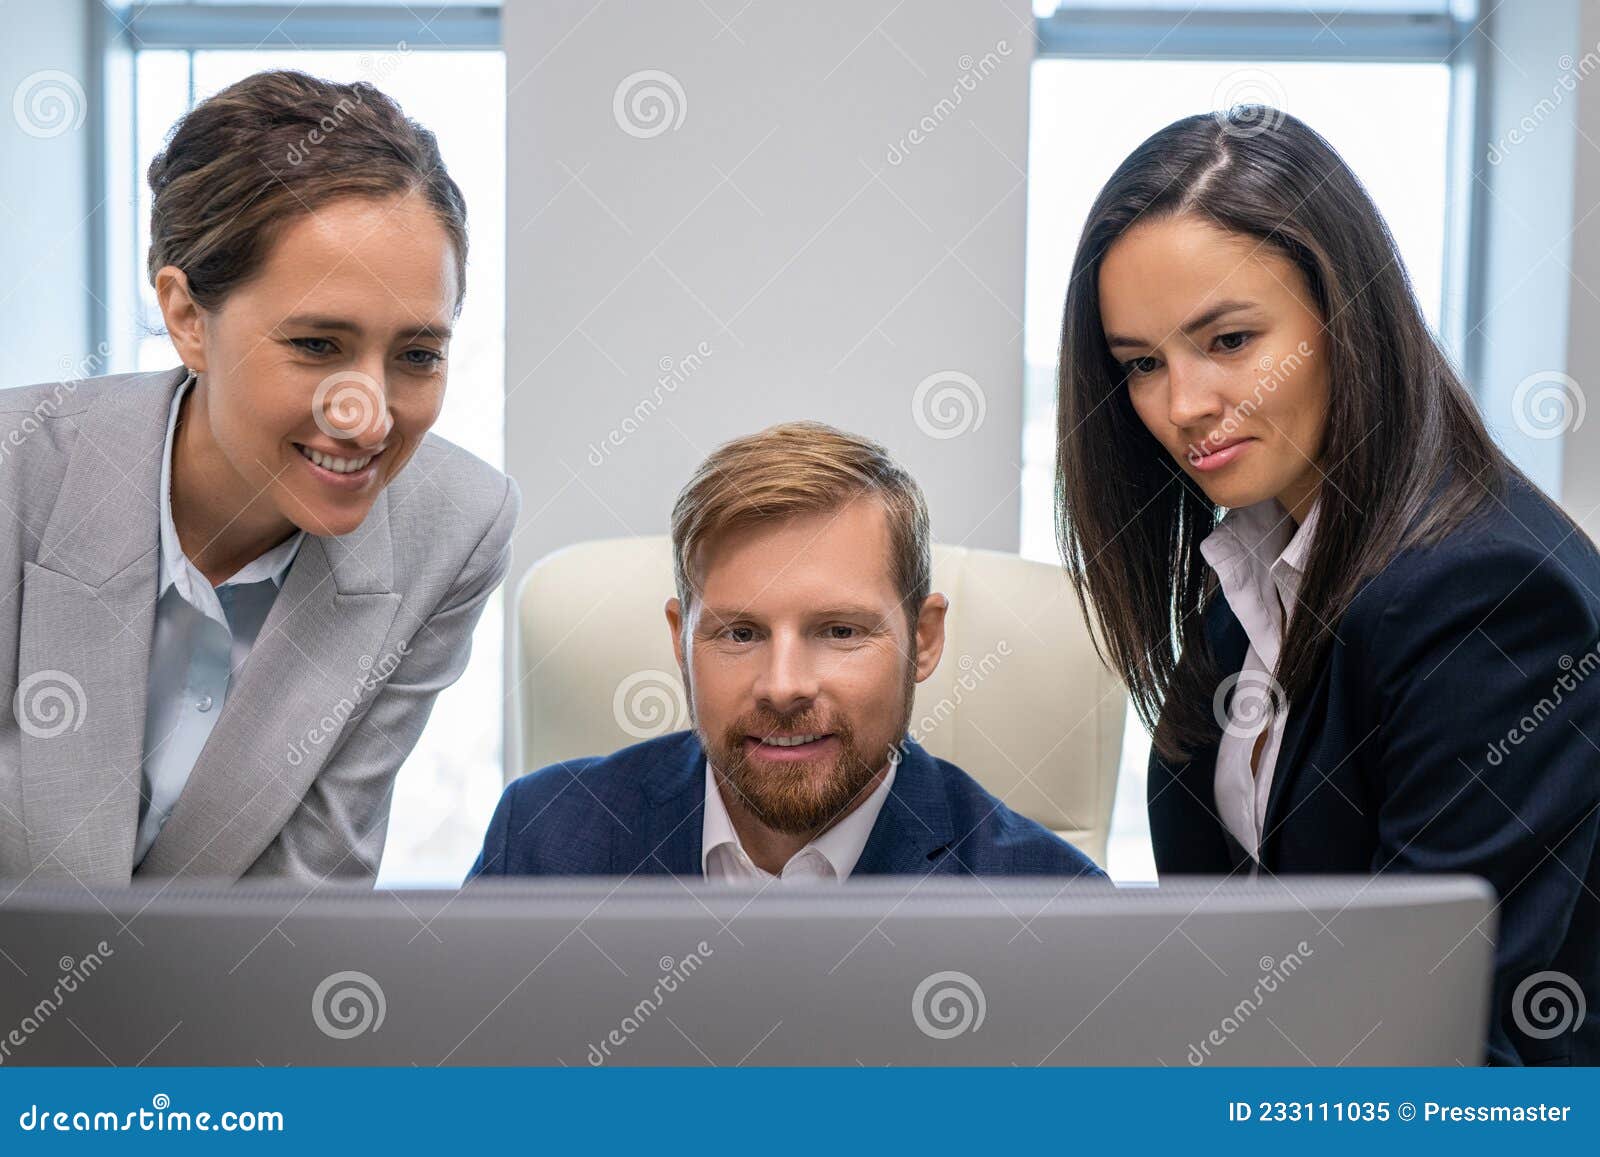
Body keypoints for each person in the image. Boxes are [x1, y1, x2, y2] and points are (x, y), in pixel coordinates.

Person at [1054, 106, 1599, 1065]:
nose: (1182, 406)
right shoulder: (1251, 566)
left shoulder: (1490, 595)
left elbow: (1445, 1033)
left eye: (1228, 341)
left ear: (1345, 312)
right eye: (1142, 364)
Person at [0, 70, 518, 884]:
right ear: (184, 317)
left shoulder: (454, 527)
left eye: (418, 354)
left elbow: (301, 901)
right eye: (316, 345)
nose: (369, 416)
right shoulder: (16, 476)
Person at [471, 422, 1103, 883]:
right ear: (679, 640)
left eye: (839, 632)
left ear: (925, 638)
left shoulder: (1047, 903)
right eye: (740, 634)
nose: (783, 686)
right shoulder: (541, 838)